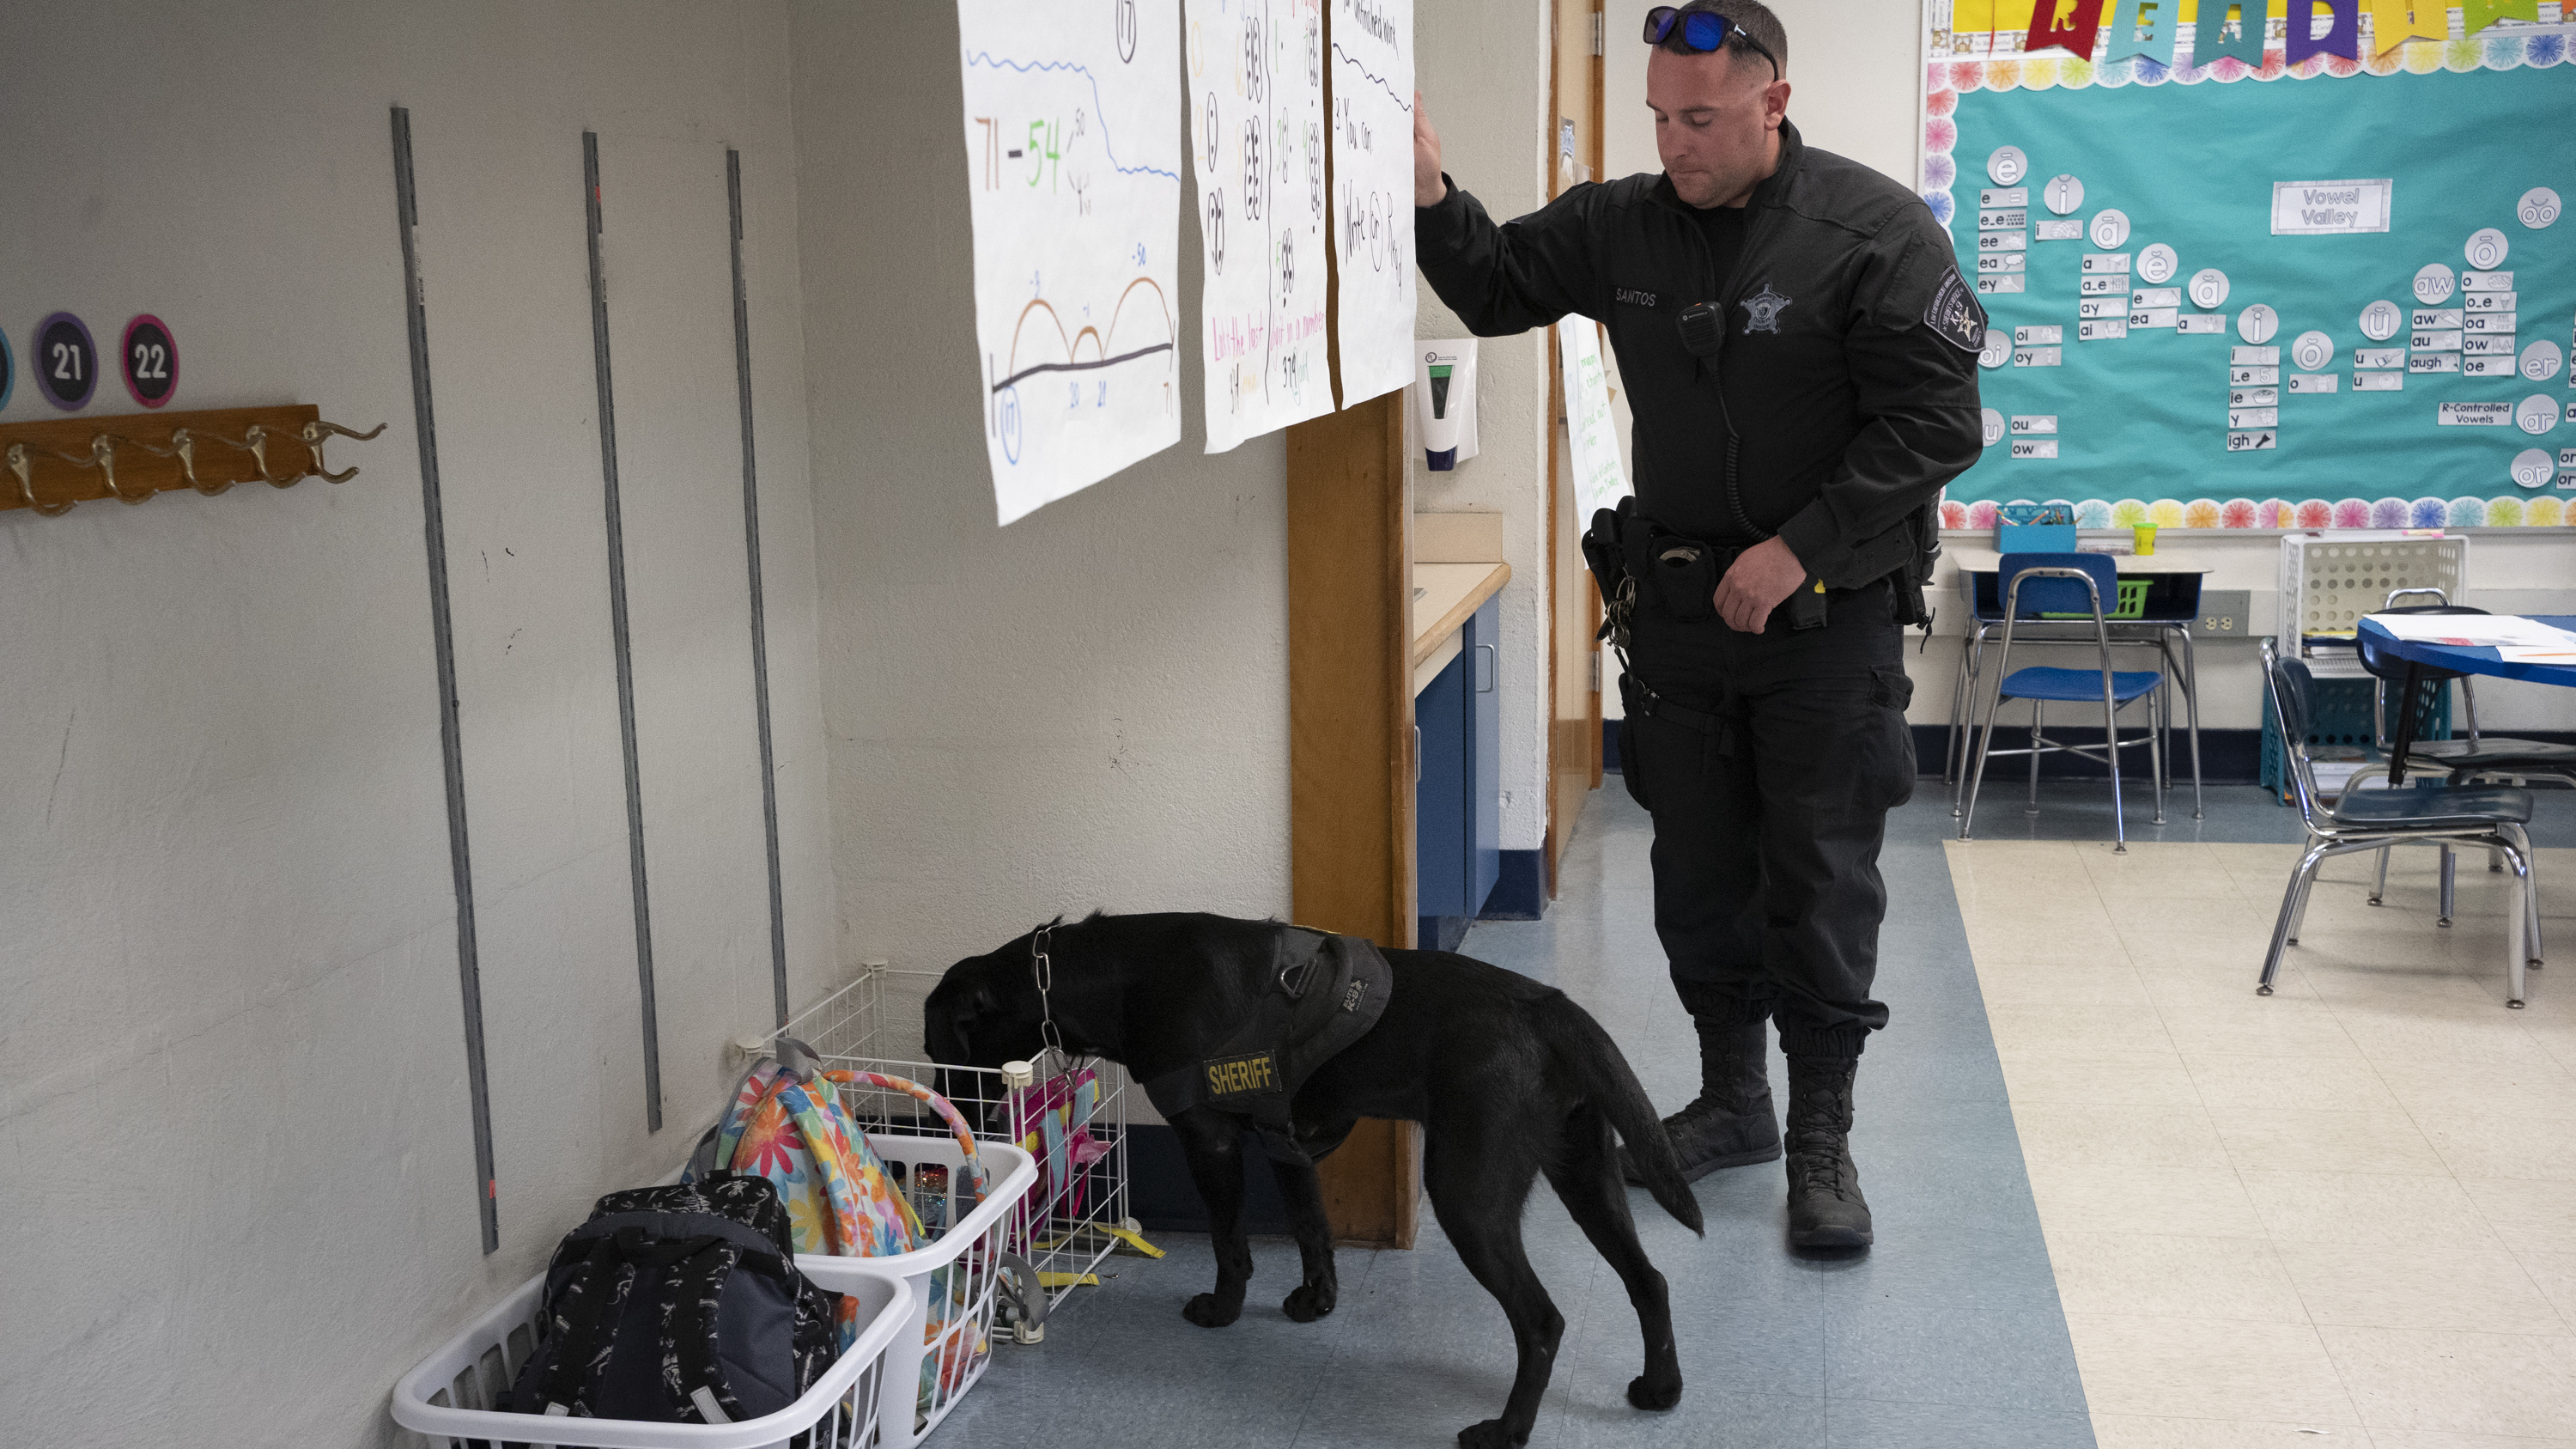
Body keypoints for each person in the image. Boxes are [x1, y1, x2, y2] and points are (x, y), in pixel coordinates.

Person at [1413, 0, 1984, 1250]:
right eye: (1662, 117)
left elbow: (1939, 428)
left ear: (1774, 101)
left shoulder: (1872, 232)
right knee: (1698, 873)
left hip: (1825, 625)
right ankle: (1735, 1101)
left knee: (1821, 881)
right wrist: (1427, 190)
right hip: (1678, 622)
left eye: (1705, 119)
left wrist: (1799, 549)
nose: (1677, 143)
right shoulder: (1623, 225)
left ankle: (1823, 1141)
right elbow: (1498, 286)